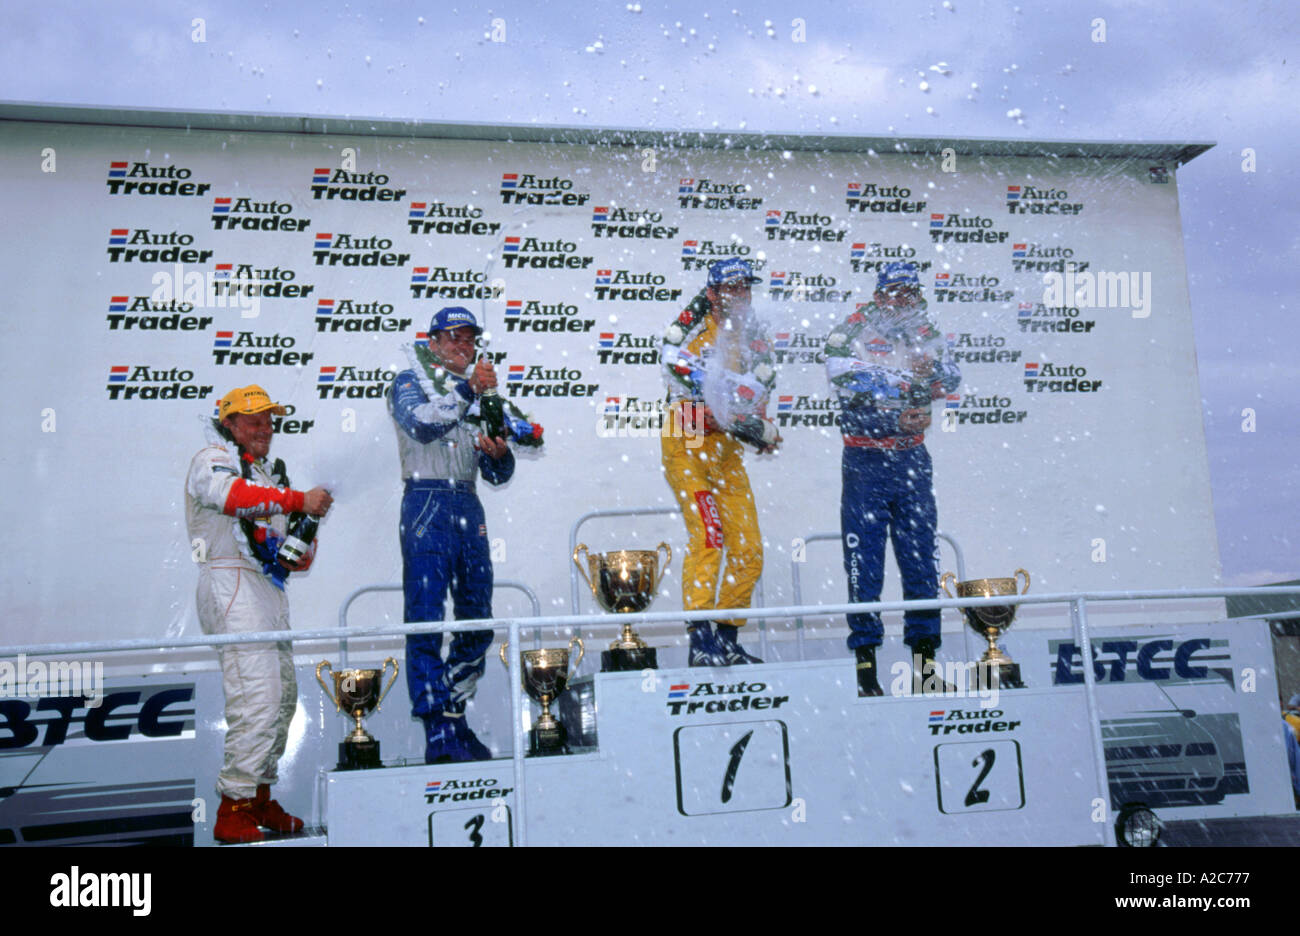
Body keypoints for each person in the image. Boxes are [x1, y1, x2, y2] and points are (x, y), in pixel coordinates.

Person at [390, 306, 541, 763]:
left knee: (478, 619)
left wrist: (498, 452)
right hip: (426, 501)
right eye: (452, 337)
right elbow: (422, 423)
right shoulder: (408, 381)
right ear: (432, 342)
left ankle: (450, 711)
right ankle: (438, 727)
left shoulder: (482, 394)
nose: (462, 345)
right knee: (427, 618)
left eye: (468, 338)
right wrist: (467, 389)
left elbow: (500, 471)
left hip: (468, 500)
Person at [186, 384, 333, 843]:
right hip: (229, 581)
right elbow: (231, 498)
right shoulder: (213, 457)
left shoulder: (268, 473)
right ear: (228, 423)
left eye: (269, 420)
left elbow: (288, 548)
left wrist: (301, 546)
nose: (264, 428)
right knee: (258, 697)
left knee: (282, 698)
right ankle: (232, 808)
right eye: (253, 420)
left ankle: (259, 796)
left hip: (267, 587)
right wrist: (296, 501)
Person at [824, 262, 961, 696]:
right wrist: (903, 390)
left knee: (922, 561)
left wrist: (930, 378)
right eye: (894, 294)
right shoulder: (853, 329)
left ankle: (924, 665)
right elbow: (841, 374)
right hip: (866, 462)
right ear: (879, 295)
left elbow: (952, 375)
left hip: (912, 461)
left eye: (909, 294)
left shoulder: (925, 331)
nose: (901, 301)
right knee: (864, 565)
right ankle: (866, 668)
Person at [660, 257, 780, 666]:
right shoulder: (691, 327)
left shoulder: (754, 336)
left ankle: (728, 638)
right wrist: (722, 416)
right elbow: (686, 396)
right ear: (712, 293)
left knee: (749, 546)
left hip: (725, 451)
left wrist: (757, 428)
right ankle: (700, 641)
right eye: (731, 288)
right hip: (687, 440)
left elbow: (757, 394)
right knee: (709, 536)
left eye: (745, 287)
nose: (740, 295)